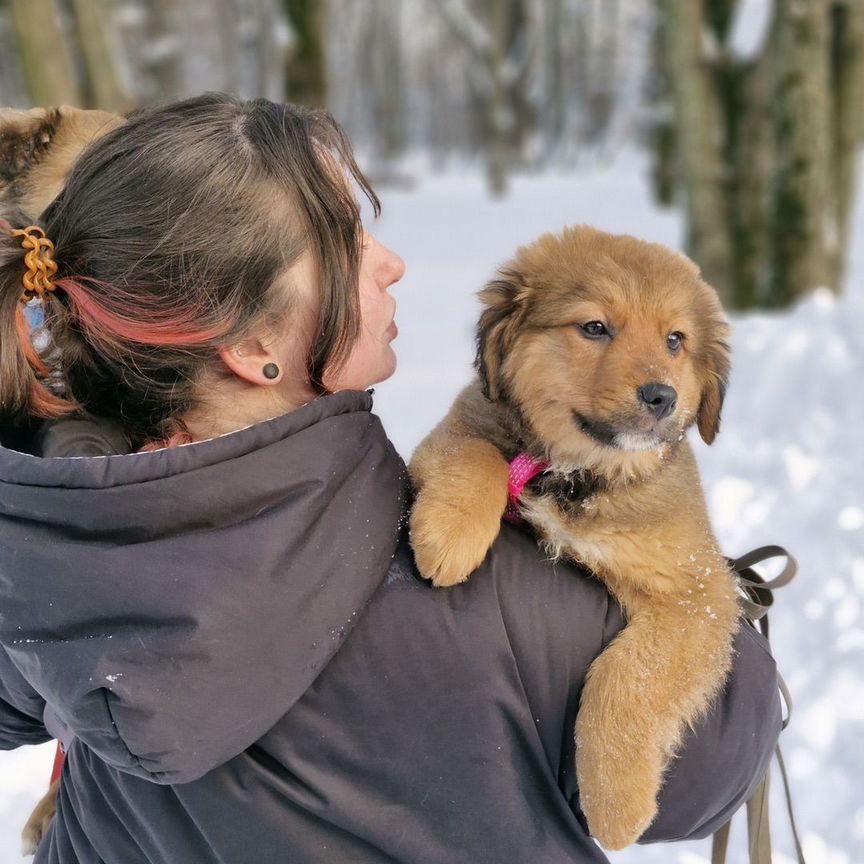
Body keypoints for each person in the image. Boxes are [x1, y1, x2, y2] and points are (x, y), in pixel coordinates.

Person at [0, 94, 781, 864]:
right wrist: (721, 616)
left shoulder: (49, 559)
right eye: (345, 238)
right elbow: (713, 765)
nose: (392, 259)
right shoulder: (518, 620)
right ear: (254, 344)